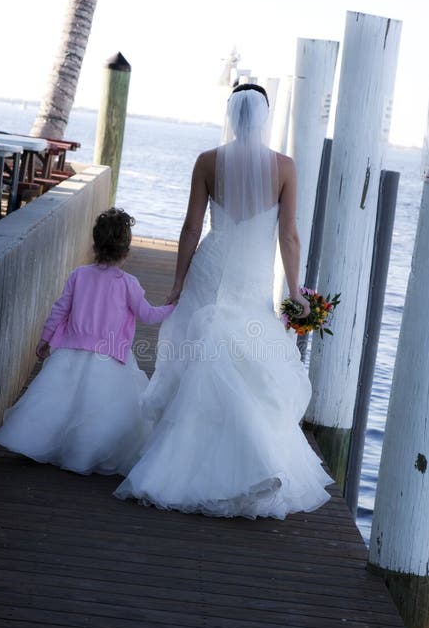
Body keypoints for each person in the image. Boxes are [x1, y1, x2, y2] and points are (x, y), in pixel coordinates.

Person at [115, 85, 331, 518]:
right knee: (246, 363)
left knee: (202, 359)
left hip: (210, 268)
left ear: (232, 116)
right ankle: (256, 461)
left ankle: (186, 462)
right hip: (253, 274)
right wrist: (294, 292)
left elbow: (191, 227)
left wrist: (178, 281)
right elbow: (289, 235)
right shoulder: (285, 167)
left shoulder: (207, 161)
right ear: (265, 116)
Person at [0, 208, 175, 475]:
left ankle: (37, 443)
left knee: (57, 402)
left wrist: (45, 338)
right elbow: (148, 315)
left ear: (95, 244)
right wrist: (173, 306)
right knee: (97, 412)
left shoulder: (79, 275)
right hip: (109, 358)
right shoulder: (129, 283)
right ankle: (83, 454)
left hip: (70, 350)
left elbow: (59, 309)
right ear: (126, 250)